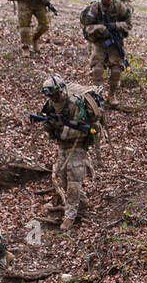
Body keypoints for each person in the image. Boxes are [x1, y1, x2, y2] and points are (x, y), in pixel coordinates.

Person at [34, 74, 102, 232]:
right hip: (63, 146)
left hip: (78, 146)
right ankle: (83, 203)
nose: (53, 98)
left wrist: (63, 130)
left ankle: (70, 215)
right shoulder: (51, 104)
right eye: (50, 95)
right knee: (63, 178)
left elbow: (89, 130)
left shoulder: (74, 104)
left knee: (74, 181)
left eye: (55, 94)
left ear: (61, 90)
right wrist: (51, 126)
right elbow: (47, 125)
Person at [79, 0, 132, 105]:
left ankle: (111, 95)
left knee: (117, 69)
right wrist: (101, 29)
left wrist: (115, 26)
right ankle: (98, 95)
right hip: (100, 43)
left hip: (115, 42)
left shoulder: (119, 6)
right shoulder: (95, 8)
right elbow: (87, 26)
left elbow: (128, 24)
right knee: (97, 68)